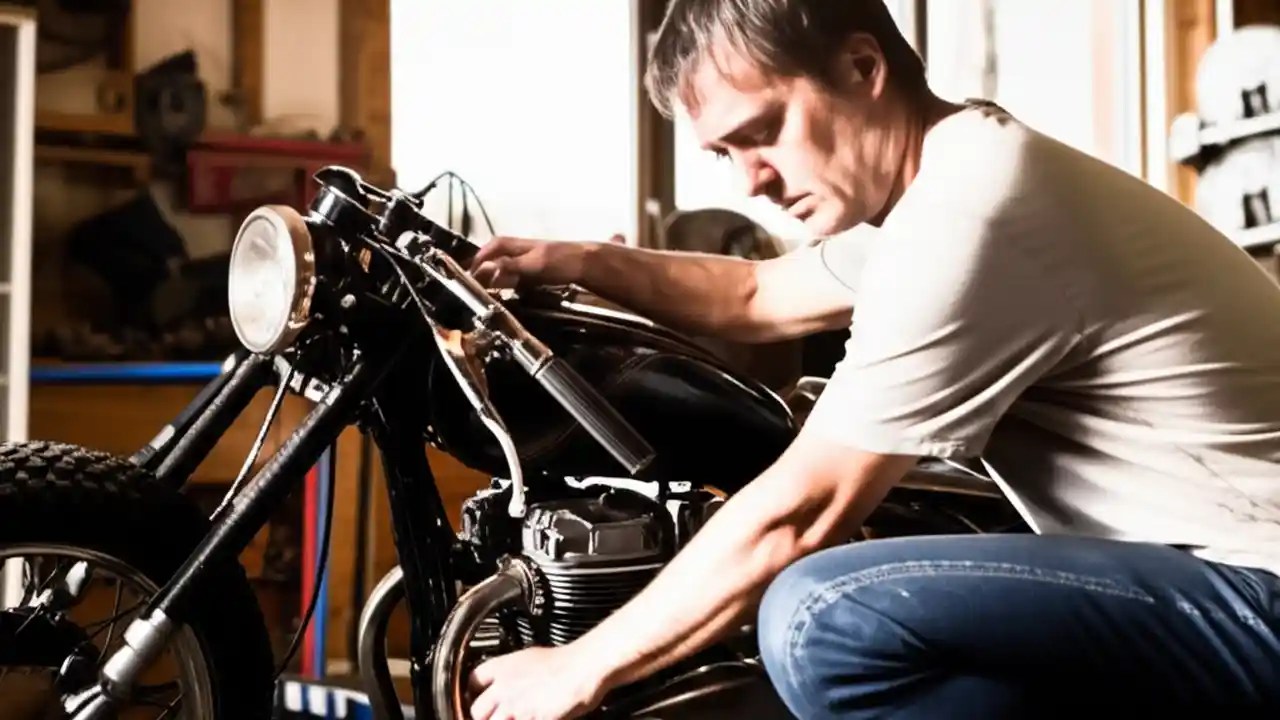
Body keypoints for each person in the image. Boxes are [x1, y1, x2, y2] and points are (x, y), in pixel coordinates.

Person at [463, 1, 1280, 717]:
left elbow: (803, 513)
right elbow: (754, 295)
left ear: (862, 67)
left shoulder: (974, 211)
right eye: (725, 154)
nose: (753, 181)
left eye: (763, 133)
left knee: (824, 609)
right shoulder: (956, 171)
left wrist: (582, 666)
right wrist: (575, 261)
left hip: (1258, 590)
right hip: (1208, 572)